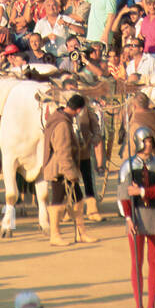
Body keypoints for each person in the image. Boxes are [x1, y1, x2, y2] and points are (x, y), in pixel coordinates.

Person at [117, 126, 155, 308]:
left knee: (154, 262)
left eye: (150, 141)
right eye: (145, 141)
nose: (148, 145)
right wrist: (128, 218)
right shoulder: (127, 166)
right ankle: (139, 307)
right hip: (135, 217)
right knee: (136, 263)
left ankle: (152, 306)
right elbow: (123, 196)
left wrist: (142, 192)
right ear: (139, 143)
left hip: (154, 214)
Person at [42, 94, 96, 247]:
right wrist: (71, 174)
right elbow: (63, 151)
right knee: (57, 202)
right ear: (78, 110)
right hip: (60, 170)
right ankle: (55, 235)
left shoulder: (61, 119)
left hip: (63, 168)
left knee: (77, 199)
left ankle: (81, 233)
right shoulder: (62, 125)